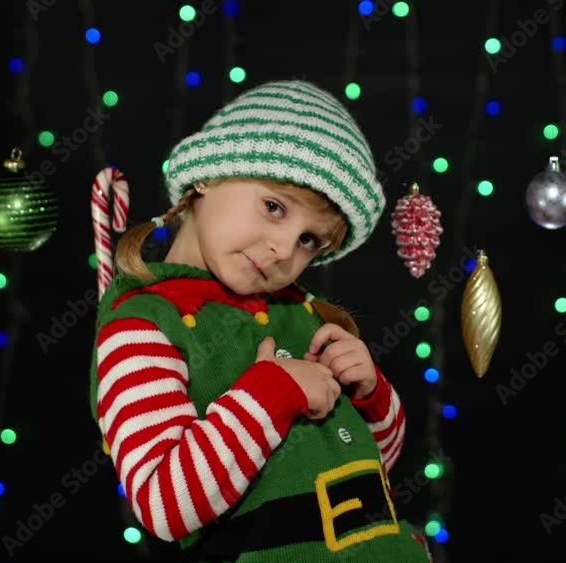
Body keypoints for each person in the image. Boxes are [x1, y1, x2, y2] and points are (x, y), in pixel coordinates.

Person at [89, 80, 432, 562]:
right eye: (274, 207)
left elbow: (375, 468)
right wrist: (274, 393)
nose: (284, 250)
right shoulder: (142, 328)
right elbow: (166, 505)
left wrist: (369, 393)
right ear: (207, 175)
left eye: (311, 240)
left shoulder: (302, 315)